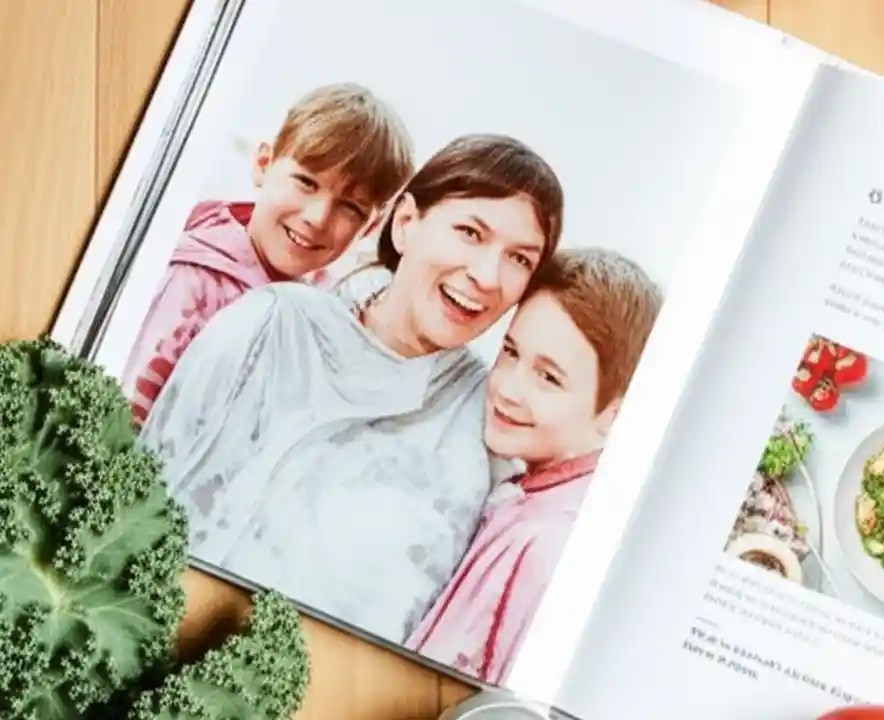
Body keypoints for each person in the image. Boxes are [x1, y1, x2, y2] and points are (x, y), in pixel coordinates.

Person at [137, 133, 564, 644]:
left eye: (520, 258)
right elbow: (142, 496)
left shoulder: (489, 428)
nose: (487, 275)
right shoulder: (274, 323)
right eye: (470, 232)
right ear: (405, 223)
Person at [404, 247, 663, 684]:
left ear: (615, 415)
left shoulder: (550, 543)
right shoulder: (539, 497)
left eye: (548, 377)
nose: (507, 387)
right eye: (511, 352)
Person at [120, 82, 415, 425]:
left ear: (368, 227)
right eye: (306, 182)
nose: (317, 218)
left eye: (349, 207)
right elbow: (126, 411)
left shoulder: (330, 314)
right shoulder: (193, 281)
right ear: (263, 164)